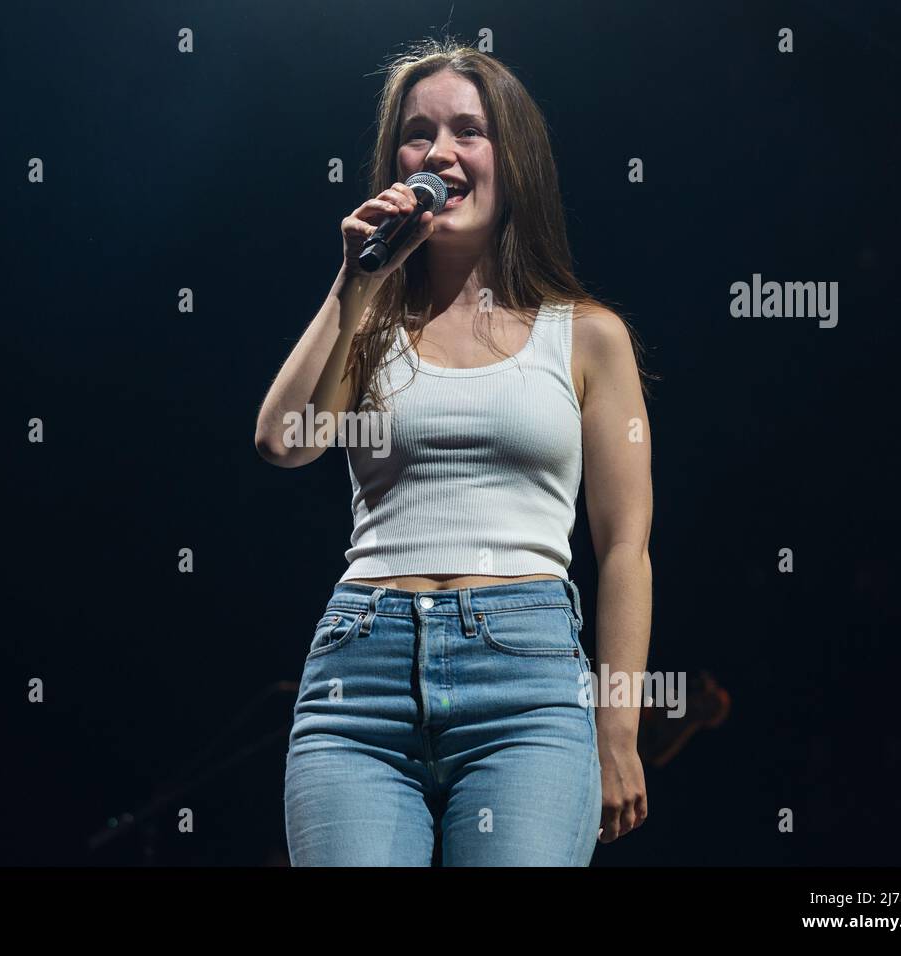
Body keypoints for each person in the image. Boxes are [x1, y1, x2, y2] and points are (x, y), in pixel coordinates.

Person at [255, 38, 654, 866]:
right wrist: (352, 280)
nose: (439, 152)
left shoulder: (586, 337)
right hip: (357, 678)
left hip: (528, 683)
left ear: (515, 160)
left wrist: (617, 730)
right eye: (418, 133)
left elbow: (624, 547)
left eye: (469, 131)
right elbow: (283, 441)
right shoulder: (365, 321)